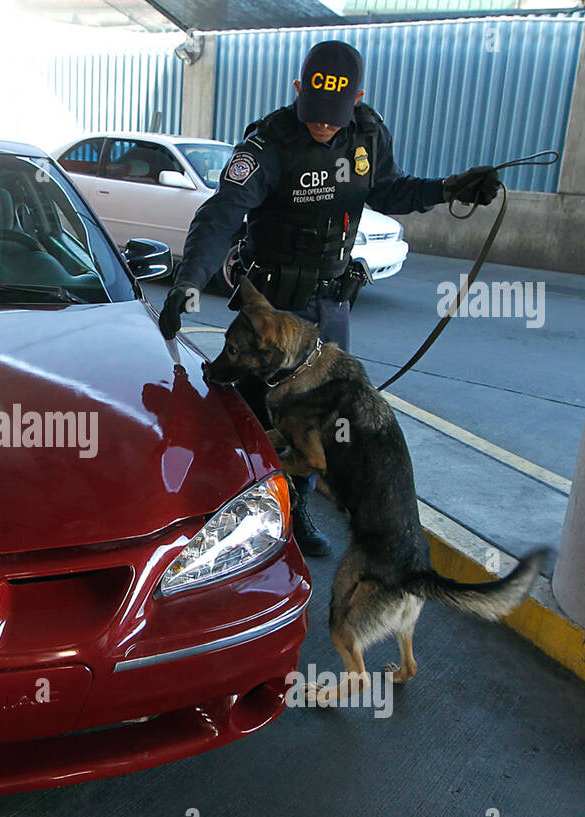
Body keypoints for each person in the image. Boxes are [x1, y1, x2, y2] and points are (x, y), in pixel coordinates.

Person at [158, 39, 500, 556]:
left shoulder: (366, 133)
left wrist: (449, 188)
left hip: (328, 306)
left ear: (356, 98)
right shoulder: (267, 144)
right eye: (314, 114)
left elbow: (390, 190)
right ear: (299, 90)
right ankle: (232, 513)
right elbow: (222, 213)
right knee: (254, 414)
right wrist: (189, 279)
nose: (323, 126)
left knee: (315, 419)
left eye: (333, 117)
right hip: (270, 308)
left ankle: (298, 511)